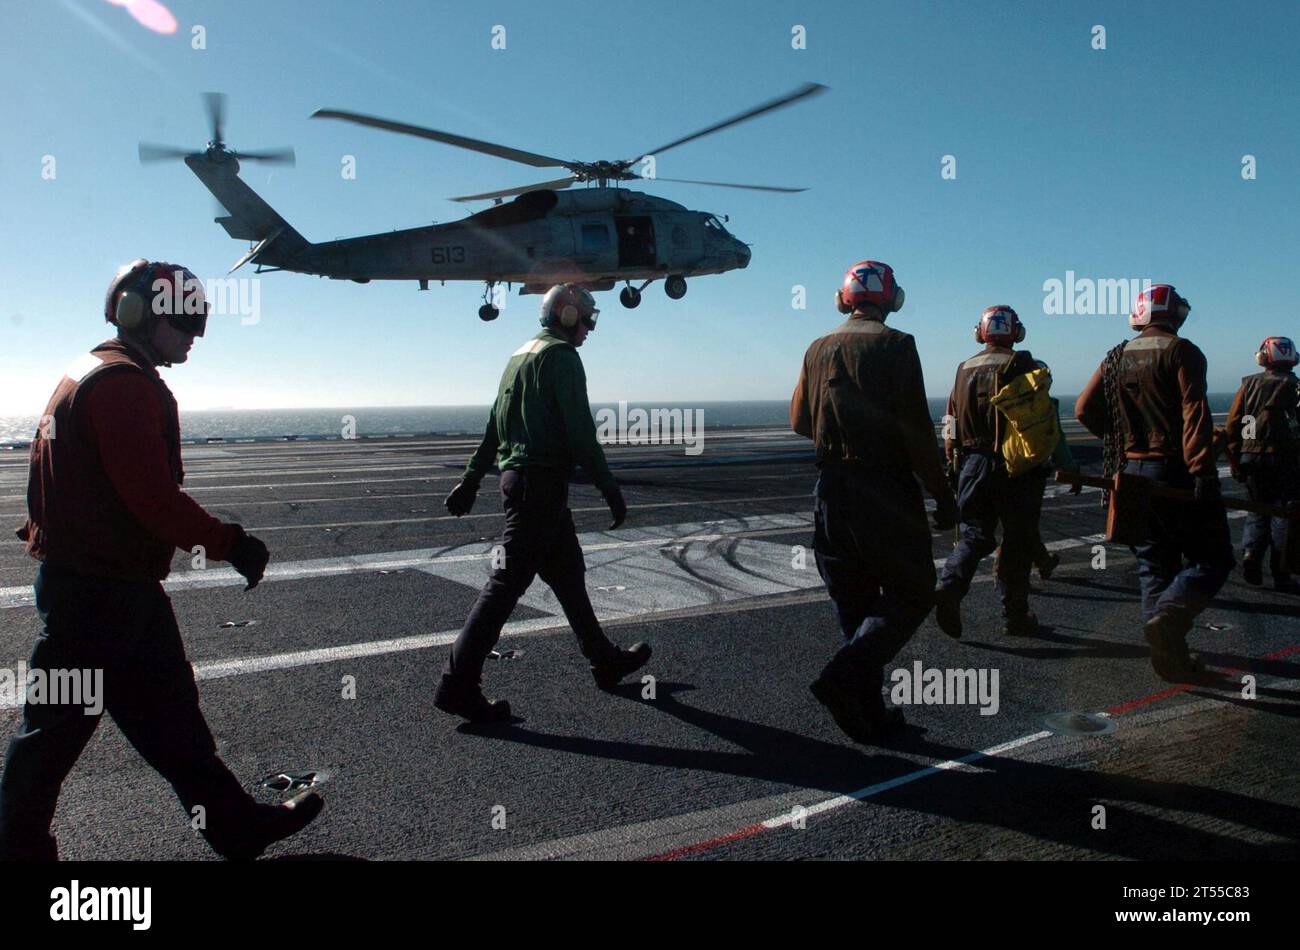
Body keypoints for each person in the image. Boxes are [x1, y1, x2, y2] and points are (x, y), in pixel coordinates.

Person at [0, 260, 322, 861]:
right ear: (136, 313)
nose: (194, 335)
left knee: (171, 726)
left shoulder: (85, 369)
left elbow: (59, 479)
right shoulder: (124, 385)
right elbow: (151, 498)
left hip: (105, 585)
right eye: (183, 320)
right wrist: (230, 542)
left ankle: (235, 828)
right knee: (52, 734)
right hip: (101, 594)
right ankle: (15, 848)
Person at [436, 284, 651, 722]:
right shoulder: (562, 357)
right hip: (541, 485)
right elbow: (579, 431)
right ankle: (456, 685)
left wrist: (472, 479)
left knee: (568, 574)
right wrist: (608, 486)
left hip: (520, 481)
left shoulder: (519, 356)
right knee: (504, 585)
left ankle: (603, 658)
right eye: (587, 318)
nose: (589, 327)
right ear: (568, 315)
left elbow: (493, 425)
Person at [791, 261, 958, 743]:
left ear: (844, 300)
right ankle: (843, 682)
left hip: (831, 491)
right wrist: (942, 493)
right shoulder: (897, 345)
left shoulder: (817, 347)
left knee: (854, 603)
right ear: (892, 300)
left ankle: (868, 715)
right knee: (913, 592)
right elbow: (916, 432)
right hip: (883, 489)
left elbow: (800, 421)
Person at [1075, 284, 1233, 681]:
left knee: (1153, 566)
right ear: (1174, 314)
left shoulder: (1116, 356)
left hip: (1132, 473)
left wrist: (1122, 440)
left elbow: (1083, 409)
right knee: (1213, 559)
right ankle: (1171, 615)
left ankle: (1171, 660)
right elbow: (1194, 411)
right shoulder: (1183, 351)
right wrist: (1203, 472)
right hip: (1174, 472)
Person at [934, 306, 1043, 638]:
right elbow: (1039, 418)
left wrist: (953, 461)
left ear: (980, 333)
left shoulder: (963, 368)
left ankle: (950, 587)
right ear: (1016, 333)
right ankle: (1016, 616)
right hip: (1015, 466)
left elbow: (950, 420)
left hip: (972, 464)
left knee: (974, 535)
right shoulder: (1025, 365)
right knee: (1017, 542)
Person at [1225, 336, 1300, 592]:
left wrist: (1235, 458)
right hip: (1286, 458)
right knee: (1284, 514)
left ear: (1263, 357)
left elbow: (1234, 424)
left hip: (1251, 456)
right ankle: (1281, 572)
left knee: (1257, 509)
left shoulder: (1248, 384)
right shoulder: (1297, 386)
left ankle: (1250, 556)